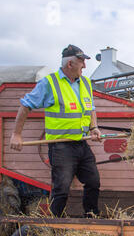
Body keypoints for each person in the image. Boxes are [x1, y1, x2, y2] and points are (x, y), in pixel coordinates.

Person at [10, 45, 102, 218]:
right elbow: (25, 105)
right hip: (61, 147)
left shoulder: (86, 83)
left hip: (81, 143)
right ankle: (53, 225)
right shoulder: (49, 83)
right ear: (70, 64)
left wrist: (94, 127)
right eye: (81, 62)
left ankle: (92, 217)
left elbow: (91, 107)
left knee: (93, 182)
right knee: (61, 188)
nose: (84, 66)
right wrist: (16, 134)